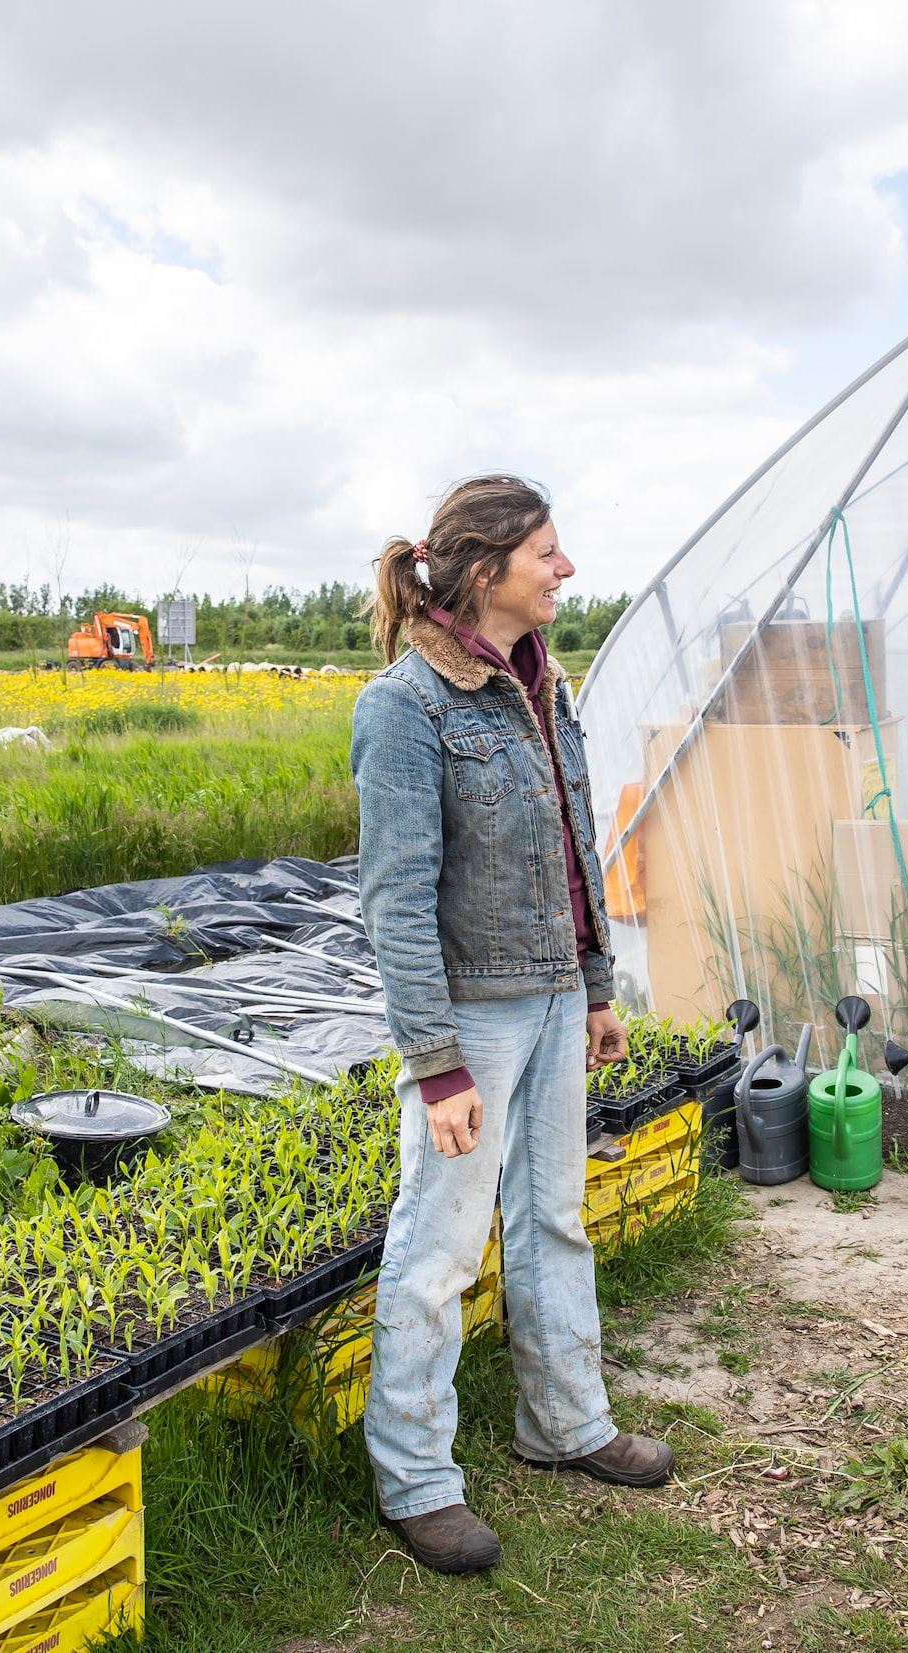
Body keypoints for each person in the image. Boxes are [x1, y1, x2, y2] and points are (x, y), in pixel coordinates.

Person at [351, 473, 676, 1575]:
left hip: (548, 997)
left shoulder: (542, 683)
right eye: (548, 551)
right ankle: (413, 1478)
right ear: (486, 568)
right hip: (472, 1018)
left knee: (554, 1218)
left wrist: (592, 984)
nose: (565, 568)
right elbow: (395, 899)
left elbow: (576, 845)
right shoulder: (407, 705)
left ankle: (565, 1423)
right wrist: (436, 1064)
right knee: (438, 1245)